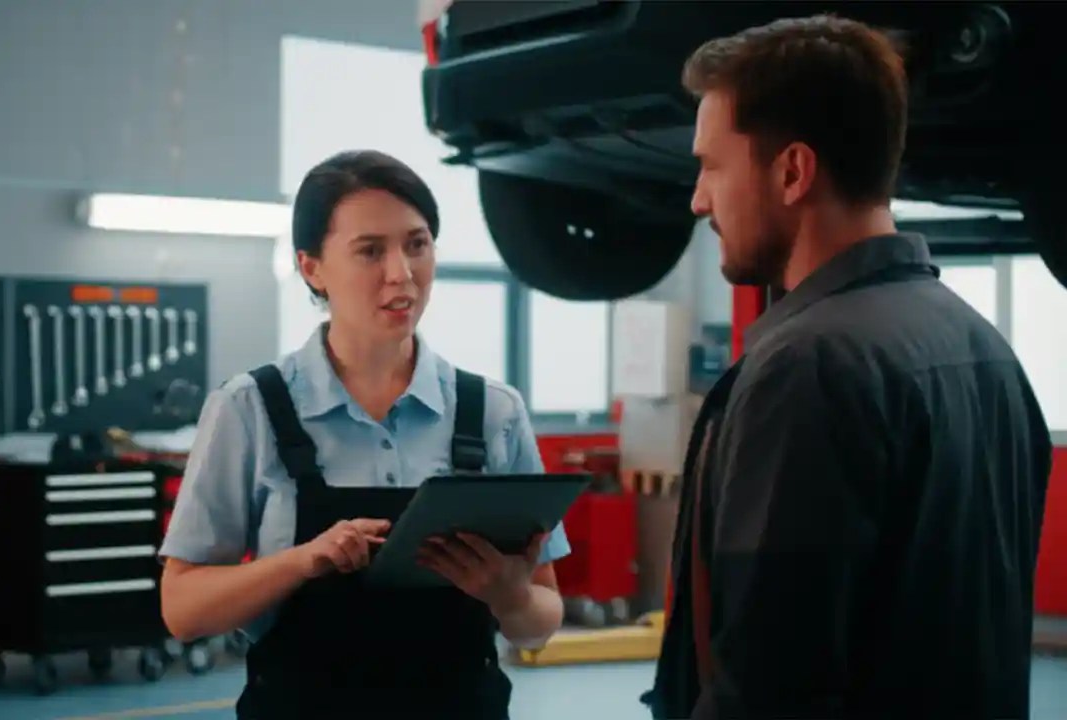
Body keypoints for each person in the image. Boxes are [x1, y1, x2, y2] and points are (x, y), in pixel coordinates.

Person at [645, 14, 1053, 720]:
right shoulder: (989, 351)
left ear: (793, 172)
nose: (698, 199)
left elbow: (770, 684)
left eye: (712, 166)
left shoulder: (808, 368)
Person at [158, 149, 571, 719]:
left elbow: (540, 622)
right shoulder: (248, 410)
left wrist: (511, 596)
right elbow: (182, 610)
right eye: (370, 250)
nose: (401, 272)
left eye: (417, 244)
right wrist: (303, 561)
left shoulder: (494, 412)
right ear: (312, 268)